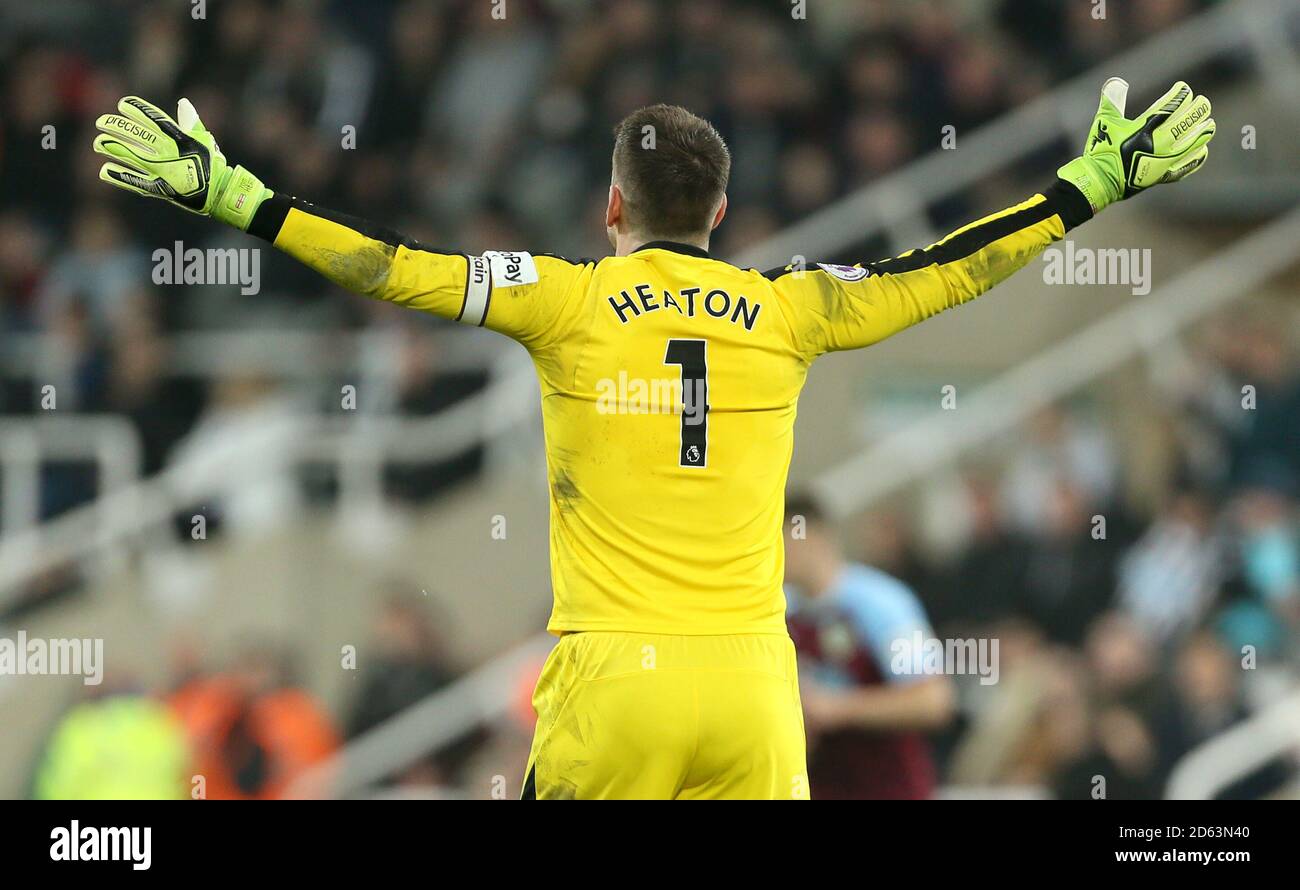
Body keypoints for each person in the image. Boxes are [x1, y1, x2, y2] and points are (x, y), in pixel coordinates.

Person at [91, 78, 1214, 799]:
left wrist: (242, 198)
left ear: (612, 210)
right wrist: (1088, 185)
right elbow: (952, 267)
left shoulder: (562, 298)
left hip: (613, 683)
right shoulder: (790, 308)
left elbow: (393, 267)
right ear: (720, 214)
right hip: (752, 689)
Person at [782, 494, 954, 799]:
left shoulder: (881, 604)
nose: (776, 553)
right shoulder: (783, 610)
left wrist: (838, 708)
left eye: (784, 540)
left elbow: (933, 701)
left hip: (891, 789)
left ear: (815, 538)